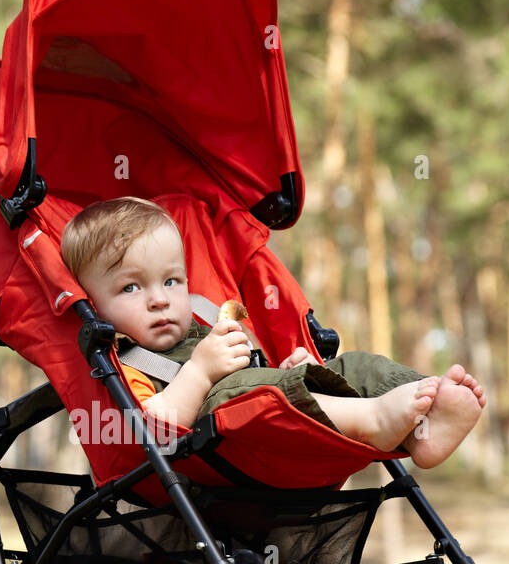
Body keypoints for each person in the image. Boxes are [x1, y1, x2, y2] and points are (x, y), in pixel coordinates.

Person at [60, 197, 485, 468]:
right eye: (130, 288)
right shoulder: (124, 361)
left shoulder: (205, 326)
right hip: (223, 446)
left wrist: (290, 372)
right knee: (243, 396)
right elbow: (155, 430)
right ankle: (374, 419)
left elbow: (257, 377)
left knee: (353, 365)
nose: (159, 299)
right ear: (93, 306)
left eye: (171, 281)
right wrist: (200, 373)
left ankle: (425, 421)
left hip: (273, 410)